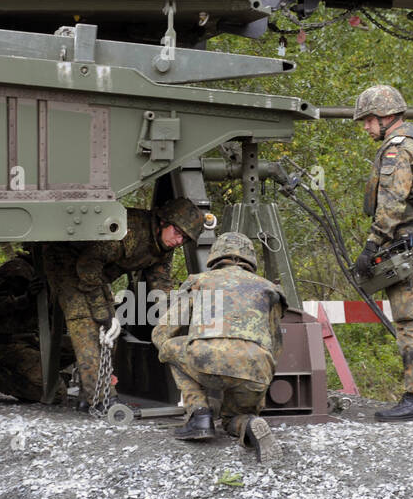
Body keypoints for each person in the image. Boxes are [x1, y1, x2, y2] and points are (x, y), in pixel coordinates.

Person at [42, 196, 205, 410]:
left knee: (110, 332)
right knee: (87, 325)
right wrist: (102, 311)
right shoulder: (130, 230)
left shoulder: (163, 247)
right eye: (177, 232)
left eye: (184, 238)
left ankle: (89, 394)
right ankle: (102, 398)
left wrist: (175, 320)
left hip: (94, 276)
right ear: (164, 221)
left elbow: (161, 285)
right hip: (68, 263)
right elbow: (87, 265)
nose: (178, 240)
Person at [351, 83, 413, 421]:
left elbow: (392, 200)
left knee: (408, 321)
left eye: (368, 120)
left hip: (405, 241)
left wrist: (372, 243)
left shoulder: (398, 148)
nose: (366, 127)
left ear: (386, 115)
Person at [152, 232, 286, 462]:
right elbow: (275, 346)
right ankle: (250, 424)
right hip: (257, 369)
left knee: (169, 347)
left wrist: (194, 343)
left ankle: (199, 414)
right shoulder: (269, 289)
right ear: (250, 258)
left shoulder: (199, 282)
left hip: (207, 361)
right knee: (234, 418)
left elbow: (162, 332)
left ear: (215, 255)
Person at [0, 251, 57, 403]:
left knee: (80, 347)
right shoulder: (16, 269)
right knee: (54, 393)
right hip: (8, 342)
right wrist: (26, 298)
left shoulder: (54, 273)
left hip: (38, 339)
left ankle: (40, 375)